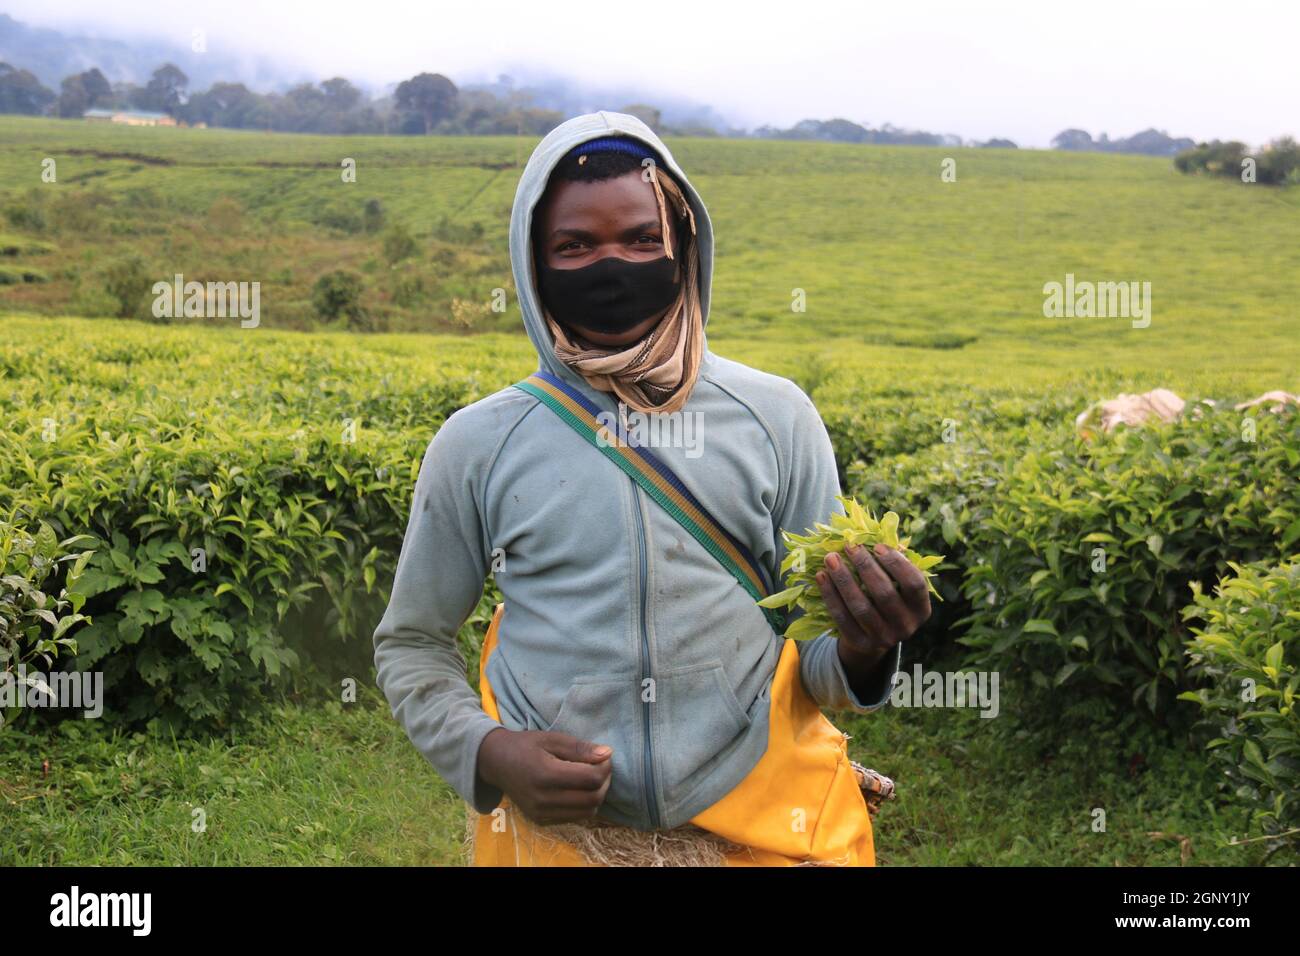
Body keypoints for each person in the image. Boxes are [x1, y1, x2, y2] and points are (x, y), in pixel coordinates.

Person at [372, 110, 932, 866]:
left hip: (766, 827)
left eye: (641, 239)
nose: (612, 265)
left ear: (684, 245)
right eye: (576, 245)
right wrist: (491, 753)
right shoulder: (479, 444)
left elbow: (820, 664)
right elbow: (412, 644)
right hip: (564, 843)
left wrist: (866, 646)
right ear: (534, 266)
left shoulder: (775, 419)